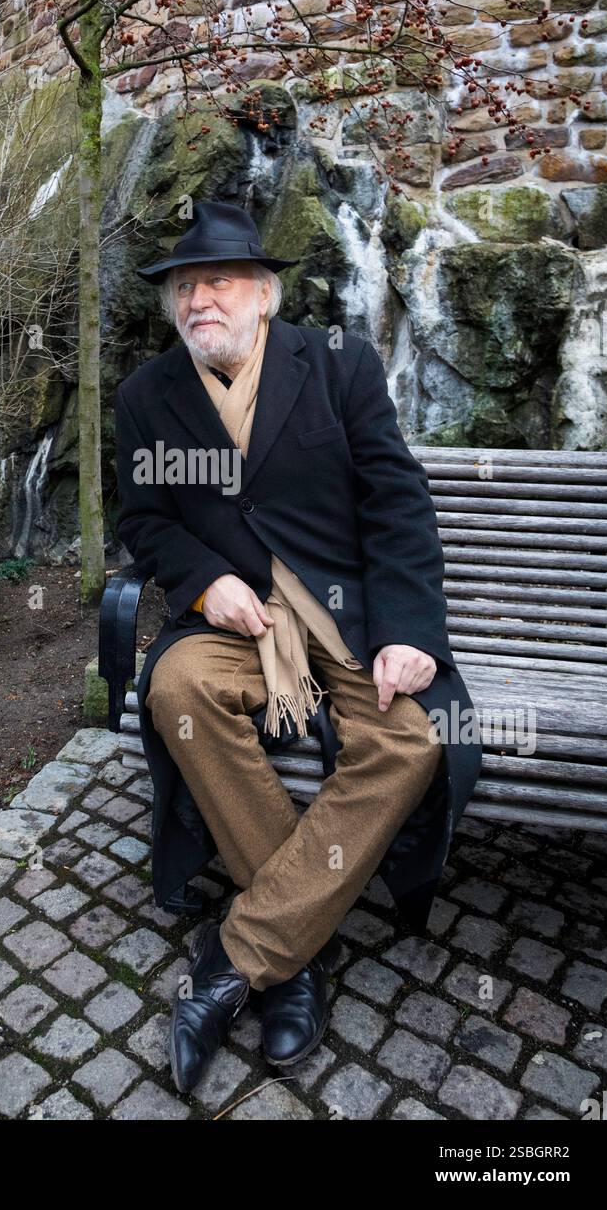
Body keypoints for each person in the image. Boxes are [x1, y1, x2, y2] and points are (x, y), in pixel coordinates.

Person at [114, 200, 482, 1094]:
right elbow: (146, 519)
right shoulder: (146, 396)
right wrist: (204, 580)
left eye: (220, 281)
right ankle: (299, 949)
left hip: (349, 621)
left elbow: (397, 501)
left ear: (264, 294)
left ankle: (246, 956)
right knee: (177, 690)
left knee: (410, 737)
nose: (201, 298)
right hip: (239, 625)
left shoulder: (340, 368)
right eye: (185, 286)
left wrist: (406, 632)